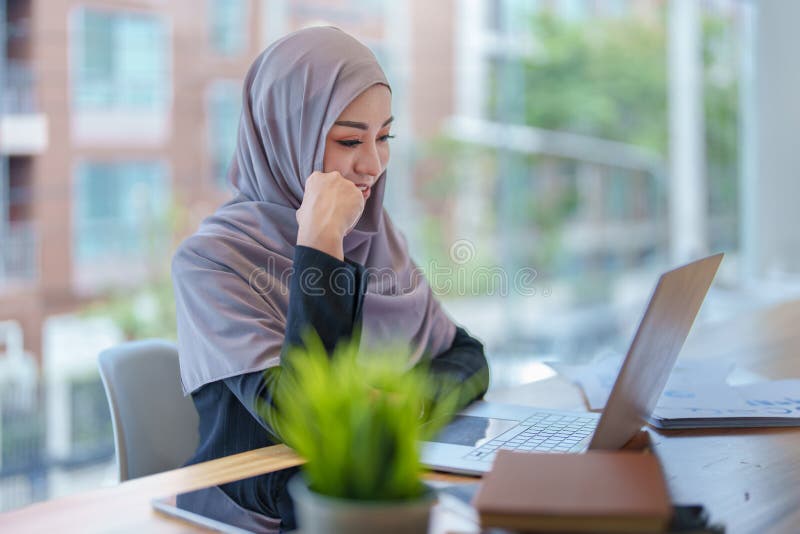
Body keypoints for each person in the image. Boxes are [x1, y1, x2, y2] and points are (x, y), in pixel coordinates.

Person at [171, 26, 489, 532]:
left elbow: (469, 357)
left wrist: (403, 406)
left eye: (384, 137)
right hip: (256, 519)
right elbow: (308, 420)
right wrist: (318, 242)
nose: (373, 165)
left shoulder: (379, 238)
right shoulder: (212, 263)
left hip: (371, 499)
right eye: (348, 140)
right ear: (283, 136)